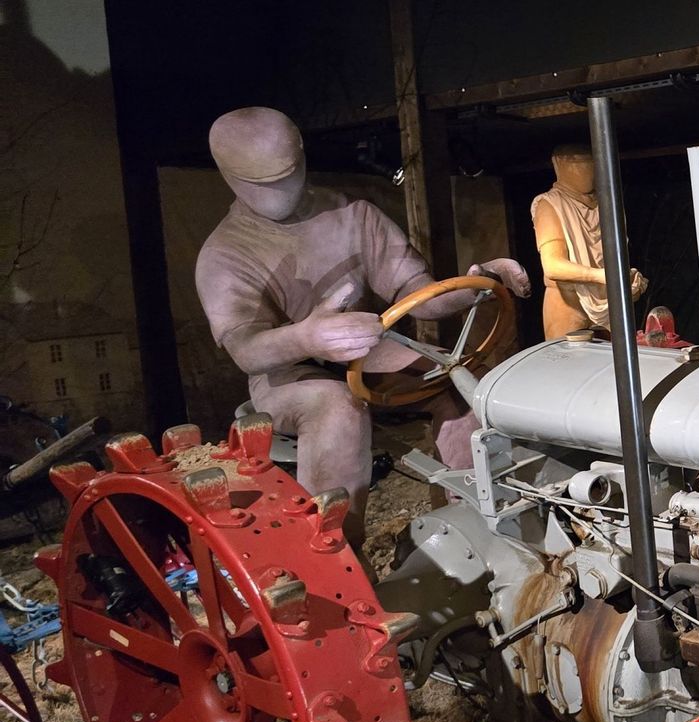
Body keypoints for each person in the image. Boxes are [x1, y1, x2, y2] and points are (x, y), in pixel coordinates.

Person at [193, 106, 529, 545]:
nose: (283, 189)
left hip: (371, 352)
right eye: (265, 183)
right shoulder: (224, 253)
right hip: (288, 377)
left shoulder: (354, 215)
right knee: (337, 407)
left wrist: (478, 282)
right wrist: (306, 336)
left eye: (290, 173)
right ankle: (336, 556)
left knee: (462, 386)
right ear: (230, 177)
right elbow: (245, 348)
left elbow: (419, 296)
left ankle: (464, 532)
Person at [530, 144, 646, 339]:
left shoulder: (608, 203)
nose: (585, 171)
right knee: (570, 365)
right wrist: (602, 276)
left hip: (609, 298)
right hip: (569, 300)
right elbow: (552, 266)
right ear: (559, 166)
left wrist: (628, 280)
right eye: (577, 165)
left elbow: (618, 257)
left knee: (617, 363)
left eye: (589, 164)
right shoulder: (549, 204)